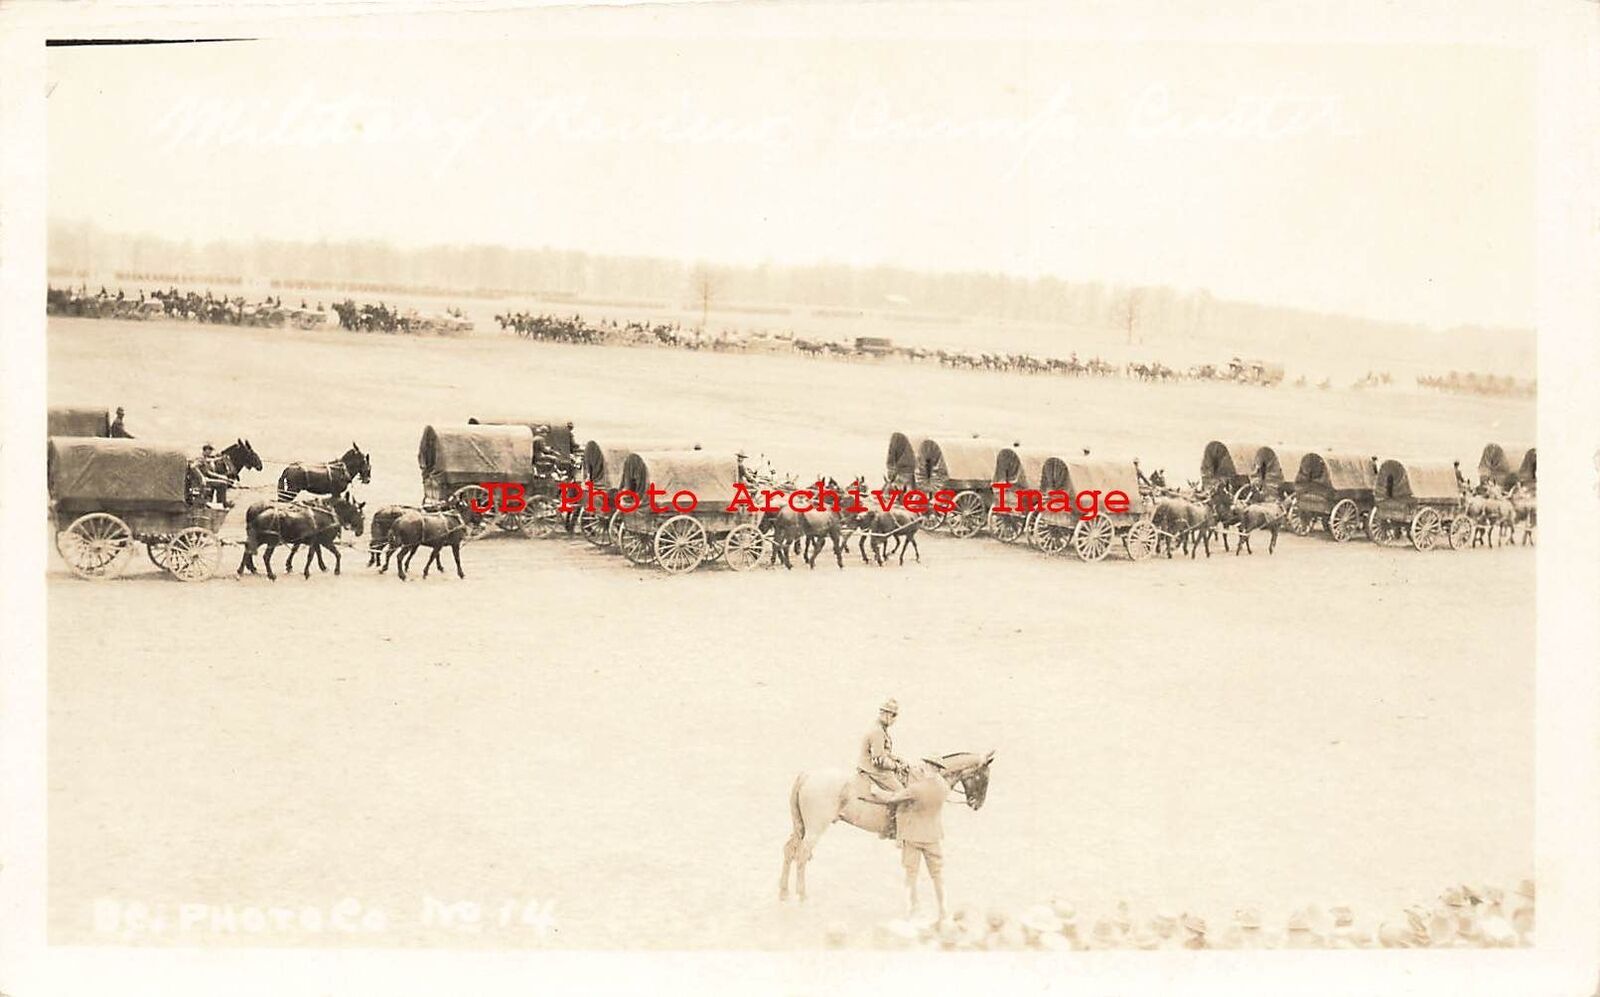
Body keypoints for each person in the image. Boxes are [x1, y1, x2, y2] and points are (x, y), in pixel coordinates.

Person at [861, 761, 950, 921]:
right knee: (937, 875)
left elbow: (893, 798)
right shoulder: (944, 787)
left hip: (913, 836)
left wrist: (876, 791)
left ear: (929, 767)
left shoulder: (916, 789)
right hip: (933, 837)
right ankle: (943, 908)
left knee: (911, 874)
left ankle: (911, 909)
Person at [859, 699, 910, 838]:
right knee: (903, 794)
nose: (894, 720)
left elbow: (884, 752)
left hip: (874, 768)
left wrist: (898, 759)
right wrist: (896, 766)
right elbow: (879, 760)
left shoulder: (880, 730)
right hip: (874, 771)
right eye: (893, 716)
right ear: (886, 714)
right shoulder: (877, 732)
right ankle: (894, 830)